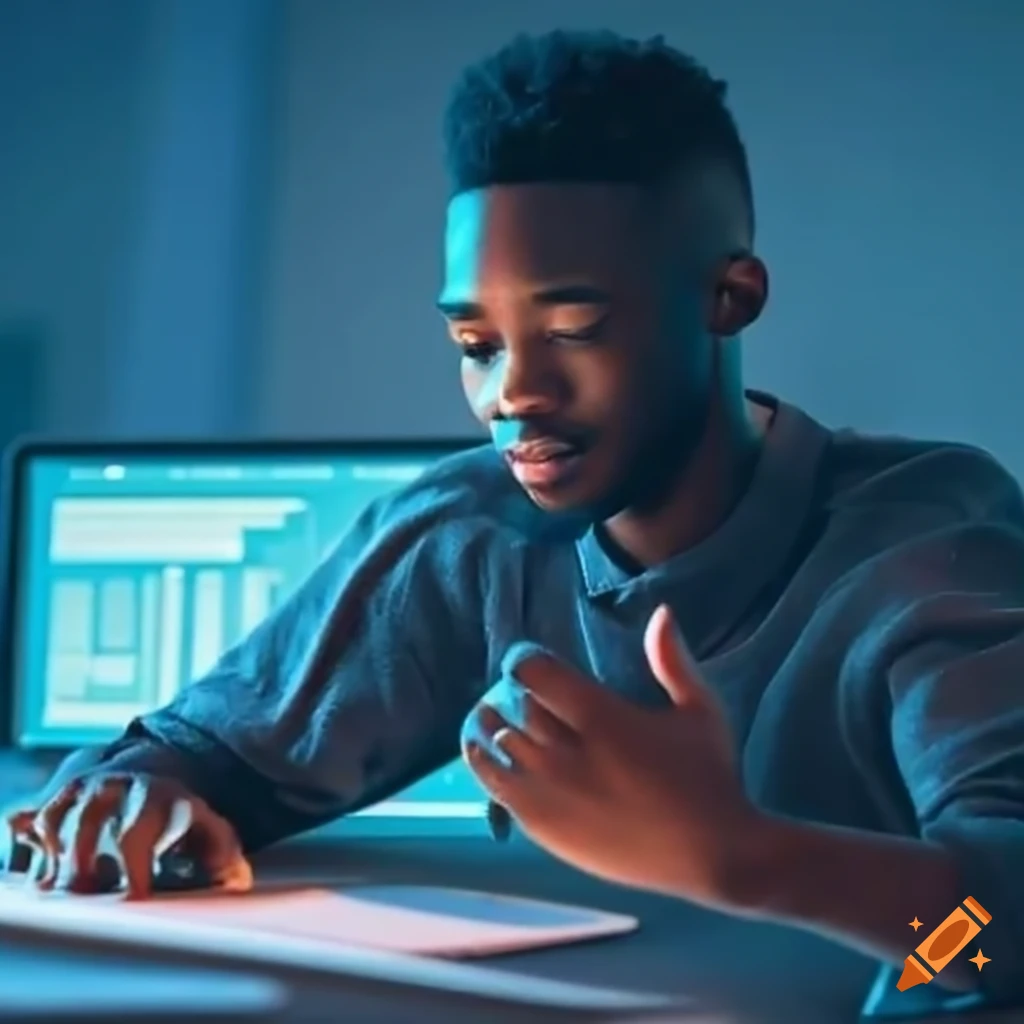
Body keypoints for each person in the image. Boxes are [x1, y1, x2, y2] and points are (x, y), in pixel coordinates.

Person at [5, 29, 1023, 1013]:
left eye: (573, 330)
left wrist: (747, 860)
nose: (512, 393)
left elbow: (994, 932)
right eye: (476, 341)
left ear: (729, 295)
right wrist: (148, 796)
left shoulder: (924, 547)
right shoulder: (469, 537)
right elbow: (207, 751)